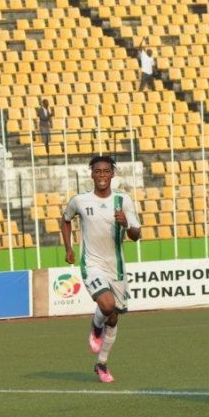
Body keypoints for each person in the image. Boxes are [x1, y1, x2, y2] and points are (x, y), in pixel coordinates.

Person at [60, 155, 141, 383]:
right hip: (92, 263)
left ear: (112, 174)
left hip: (116, 267)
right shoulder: (80, 200)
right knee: (106, 305)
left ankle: (102, 363)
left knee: (113, 318)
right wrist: (69, 248)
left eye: (106, 171)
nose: (102, 175)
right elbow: (65, 220)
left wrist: (126, 224)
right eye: (98, 171)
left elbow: (136, 235)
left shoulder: (123, 201)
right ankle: (95, 327)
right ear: (92, 174)